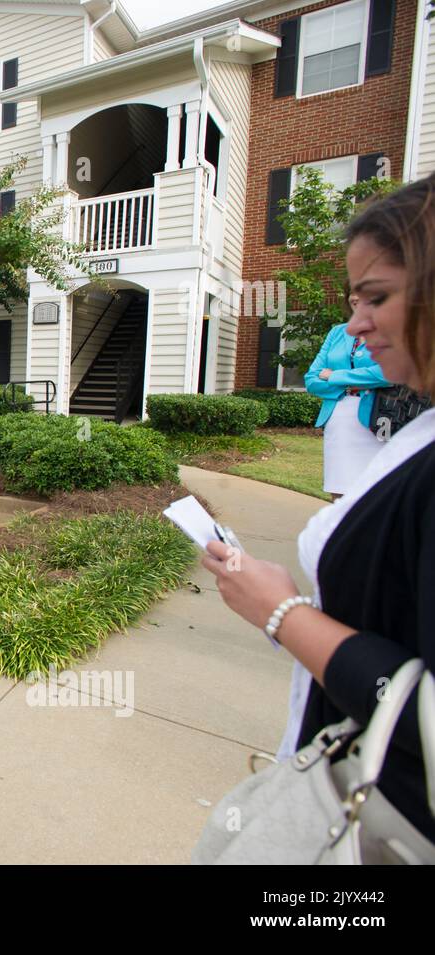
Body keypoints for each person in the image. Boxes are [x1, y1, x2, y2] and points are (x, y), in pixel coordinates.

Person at [200, 174, 435, 847]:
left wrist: (282, 612)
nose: (357, 323)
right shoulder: (419, 431)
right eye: (355, 299)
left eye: (378, 298)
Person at [303, 322, 390, 498]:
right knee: (339, 488)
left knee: (377, 491)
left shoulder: (393, 326)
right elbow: (312, 380)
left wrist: (334, 376)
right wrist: (353, 385)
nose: (357, 299)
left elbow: (389, 373)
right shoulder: (337, 332)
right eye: (353, 294)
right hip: (338, 419)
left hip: (380, 417)